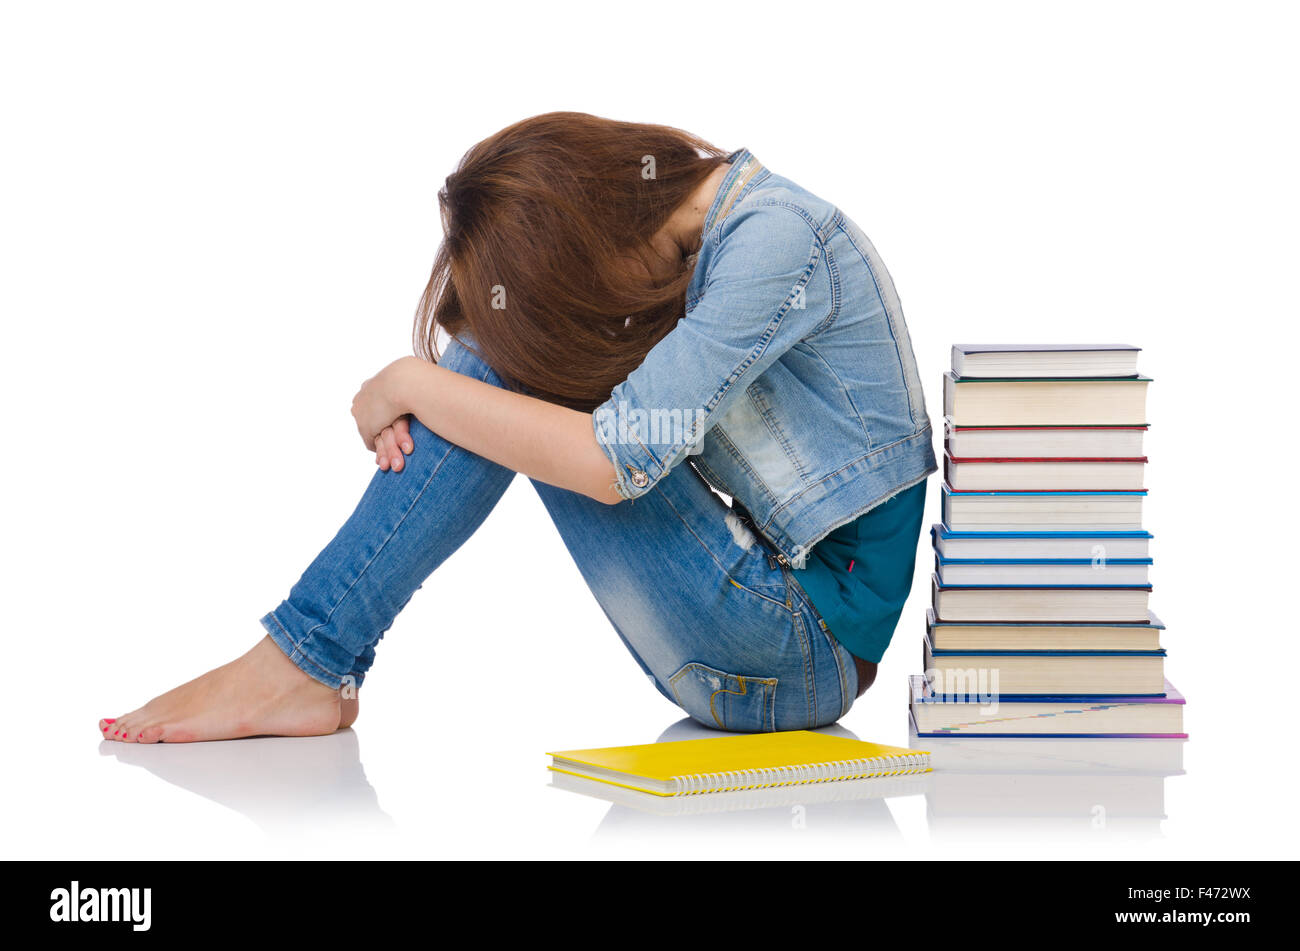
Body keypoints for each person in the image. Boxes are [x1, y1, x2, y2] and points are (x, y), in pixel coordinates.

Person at [98, 113, 935, 743]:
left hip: (795, 657)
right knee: (492, 368)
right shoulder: (717, 234)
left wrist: (411, 384)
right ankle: (306, 662)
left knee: (498, 371)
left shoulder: (774, 241)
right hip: (748, 644)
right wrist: (436, 392)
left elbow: (616, 465)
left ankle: (304, 663)